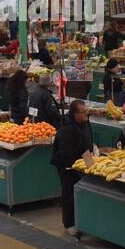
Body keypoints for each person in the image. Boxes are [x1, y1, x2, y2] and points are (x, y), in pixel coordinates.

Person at [51, 99, 95, 235]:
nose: (86, 114)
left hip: (81, 160)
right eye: (83, 112)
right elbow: (66, 152)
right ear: (75, 114)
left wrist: (91, 153)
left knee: (80, 192)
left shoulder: (84, 122)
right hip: (67, 165)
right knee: (69, 192)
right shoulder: (67, 128)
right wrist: (73, 167)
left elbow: (86, 139)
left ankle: (81, 220)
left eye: (86, 111)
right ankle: (69, 223)